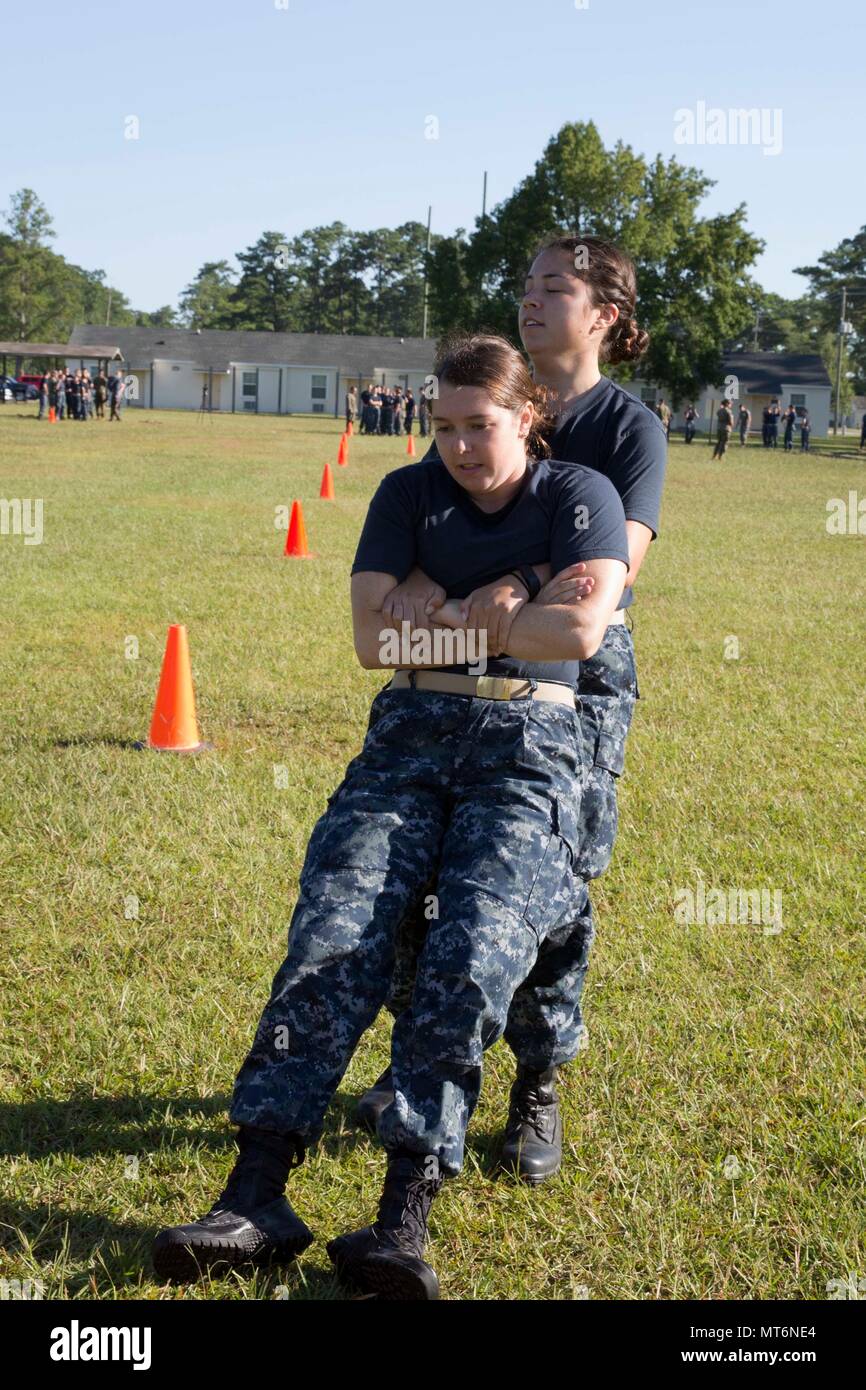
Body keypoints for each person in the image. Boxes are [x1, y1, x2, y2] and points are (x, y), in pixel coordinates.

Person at [151, 333, 630, 1299]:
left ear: (527, 416)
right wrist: (506, 608)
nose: (458, 446)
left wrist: (446, 607)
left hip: (529, 744)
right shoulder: (407, 494)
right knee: (332, 933)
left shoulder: (579, 494)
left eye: (478, 425)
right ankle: (255, 1199)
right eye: (442, 426)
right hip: (410, 732)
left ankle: (401, 1219)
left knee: (473, 951)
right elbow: (374, 643)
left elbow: (582, 632)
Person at [356, 233, 667, 1187]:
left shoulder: (626, 427)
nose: (531, 300)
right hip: (456, 664)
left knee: (553, 882)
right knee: (427, 866)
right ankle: (423, 1060)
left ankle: (538, 1079)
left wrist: (518, 582)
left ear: (604, 313)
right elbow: (426, 525)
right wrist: (421, 587)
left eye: (555, 287)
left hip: (576, 671)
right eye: (526, 286)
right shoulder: (480, 399)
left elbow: (617, 569)